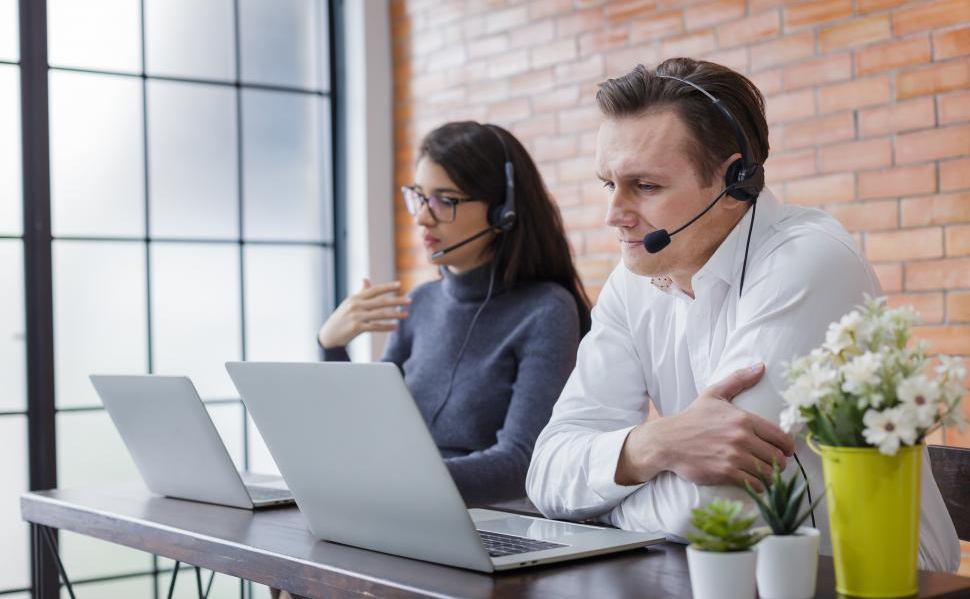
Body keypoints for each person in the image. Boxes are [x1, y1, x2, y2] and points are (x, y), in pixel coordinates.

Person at [525, 58, 960, 572]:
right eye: (608, 184)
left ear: (736, 185)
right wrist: (654, 443)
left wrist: (597, 506)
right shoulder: (633, 280)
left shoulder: (809, 261)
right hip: (722, 575)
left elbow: (720, 509)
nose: (613, 215)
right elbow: (546, 474)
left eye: (645, 186)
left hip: (864, 579)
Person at [318, 121, 592, 506]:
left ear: (503, 212)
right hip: (405, 509)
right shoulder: (420, 304)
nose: (422, 218)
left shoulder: (547, 310)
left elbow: (521, 462)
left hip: (482, 523)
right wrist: (330, 346)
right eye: (418, 196)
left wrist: (396, 482)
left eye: (444, 200)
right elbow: (370, 432)